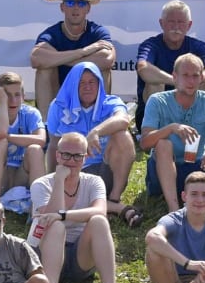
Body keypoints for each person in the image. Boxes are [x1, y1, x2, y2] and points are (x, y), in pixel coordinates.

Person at [32, 132, 128, 283]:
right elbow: (48, 218)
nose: (71, 161)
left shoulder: (93, 181)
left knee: (99, 221)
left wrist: (63, 215)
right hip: (44, 256)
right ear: (57, 155)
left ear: (85, 158)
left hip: (79, 256)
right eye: (66, 155)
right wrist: (59, 181)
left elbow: (100, 210)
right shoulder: (41, 184)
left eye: (77, 156)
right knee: (56, 226)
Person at [43, 62, 137, 225]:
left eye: (92, 82)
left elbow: (123, 119)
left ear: (100, 83)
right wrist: (51, 180)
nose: (88, 87)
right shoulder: (58, 106)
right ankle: (118, 208)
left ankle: (114, 198)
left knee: (122, 135)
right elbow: (53, 145)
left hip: (108, 169)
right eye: (82, 83)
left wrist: (96, 132)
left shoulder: (110, 102)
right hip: (75, 174)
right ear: (73, 85)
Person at [140, 53, 205, 215]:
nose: (190, 81)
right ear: (174, 77)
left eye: (195, 76)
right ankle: (174, 212)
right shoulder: (157, 100)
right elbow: (144, 143)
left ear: (202, 77)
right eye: (185, 75)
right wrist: (171, 128)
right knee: (163, 143)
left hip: (197, 168)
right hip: (162, 170)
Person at [30, 0, 118, 123]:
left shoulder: (98, 31)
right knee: (43, 70)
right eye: (70, 3)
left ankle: (98, 123)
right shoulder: (51, 33)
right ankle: (47, 127)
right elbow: (35, 58)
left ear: (88, 8)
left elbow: (107, 59)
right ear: (62, 7)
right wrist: (83, 52)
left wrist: (60, 58)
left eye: (81, 3)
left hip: (88, 90)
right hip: (60, 93)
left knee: (103, 69)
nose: (75, 8)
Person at [136, 0, 205, 109]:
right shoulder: (151, 45)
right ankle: (157, 124)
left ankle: (197, 123)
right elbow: (143, 68)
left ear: (189, 25)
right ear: (161, 23)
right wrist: (177, 81)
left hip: (188, 109)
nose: (176, 27)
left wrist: (197, 79)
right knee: (154, 83)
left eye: (181, 22)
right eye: (171, 21)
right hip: (156, 116)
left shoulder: (197, 45)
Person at [0, 72, 48, 207]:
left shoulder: (31, 113)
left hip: (20, 176)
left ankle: (38, 207)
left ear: (23, 96)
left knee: (35, 149)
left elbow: (41, 140)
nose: (13, 100)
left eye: (17, 95)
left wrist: (9, 137)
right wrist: (3, 104)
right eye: (7, 96)